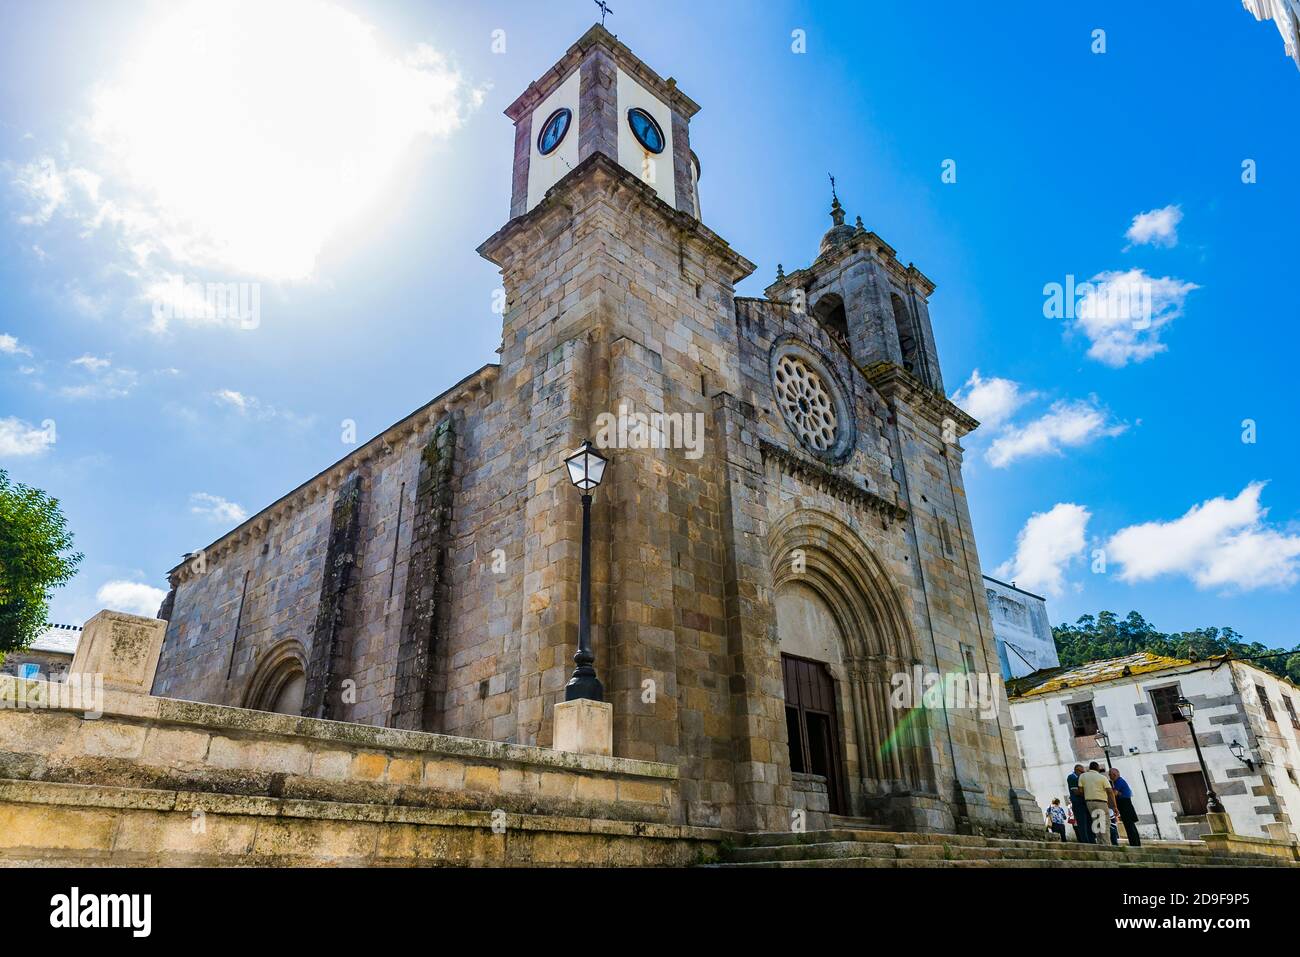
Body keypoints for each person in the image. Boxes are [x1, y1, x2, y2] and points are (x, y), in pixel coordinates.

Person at [1079, 761, 1115, 846]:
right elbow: (1110, 792)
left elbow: (1080, 791)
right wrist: (1114, 806)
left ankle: (1100, 843)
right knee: (1104, 824)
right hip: (1101, 802)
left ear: (1089, 768)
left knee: (1096, 823)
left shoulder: (1082, 776)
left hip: (1089, 803)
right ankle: (1107, 844)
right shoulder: (1102, 778)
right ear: (1098, 768)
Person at [1110, 767, 1142, 846]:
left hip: (1125, 805)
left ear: (1114, 774)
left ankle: (1134, 843)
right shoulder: (1120, 781)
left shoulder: (1119, 782)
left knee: (1129, 826)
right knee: (1130, 825)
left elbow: (1114, 794)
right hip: (1126, 805)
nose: (1109, 777)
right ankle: (1136, 843)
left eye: (1110, 775)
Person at [1066, 764, 1093, 843]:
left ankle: (1091, 840)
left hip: (1084, 802)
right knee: (1082, 823)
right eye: (1082, 772)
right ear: (1077, 770)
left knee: (1089, 823)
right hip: (1078, 803)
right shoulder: (1072, 777)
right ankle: (1086, 841)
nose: (1083, 773)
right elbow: (1076, 792)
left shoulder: (1080, 778)